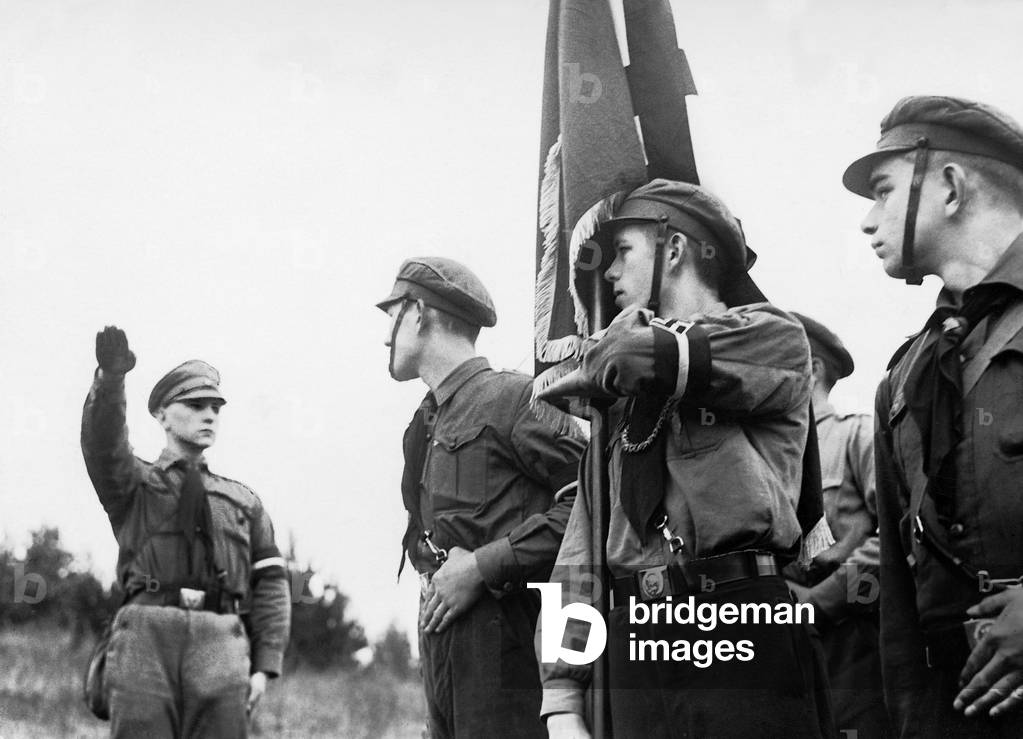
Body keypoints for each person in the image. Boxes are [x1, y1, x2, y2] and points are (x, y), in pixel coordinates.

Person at [537, 179, 834, 739]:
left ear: (673, 250)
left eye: (623, 251)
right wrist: (562, 693)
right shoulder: (622, 399)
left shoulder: (772, 337)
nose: (608, 274)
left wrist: (600, 359)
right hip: (637, 638)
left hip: (740, 623)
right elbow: (580, 556)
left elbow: (636, 352)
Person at [844, 95, 1023, 738]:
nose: (868, 221)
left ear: (948, 186)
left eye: (883, 191)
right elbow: (900, 596)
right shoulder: (906, 378)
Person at [377, 257, 586, 738]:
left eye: (391, 316)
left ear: (418, 313)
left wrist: (481, 566)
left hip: (509, 643)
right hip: (444, 645)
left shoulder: (518, 399)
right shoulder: (423, 424)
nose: (385, 336)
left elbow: (591, 504)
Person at [82, 326, 290, 738]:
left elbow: (270, 584)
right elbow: (102, 442)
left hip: (221, 643)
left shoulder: (243, 502)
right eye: (195, 405)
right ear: (161, 415)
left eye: (215, 406)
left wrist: (264, 667)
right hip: (145, 639)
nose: (209, 414)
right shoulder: (134, 484)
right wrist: (111, 379)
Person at [787, 312, 892, 737]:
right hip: (784, 640)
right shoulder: (775, 454)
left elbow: (898, 536)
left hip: (849, 642)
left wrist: (822, 600)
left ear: (811, 370)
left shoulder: (857, 437)